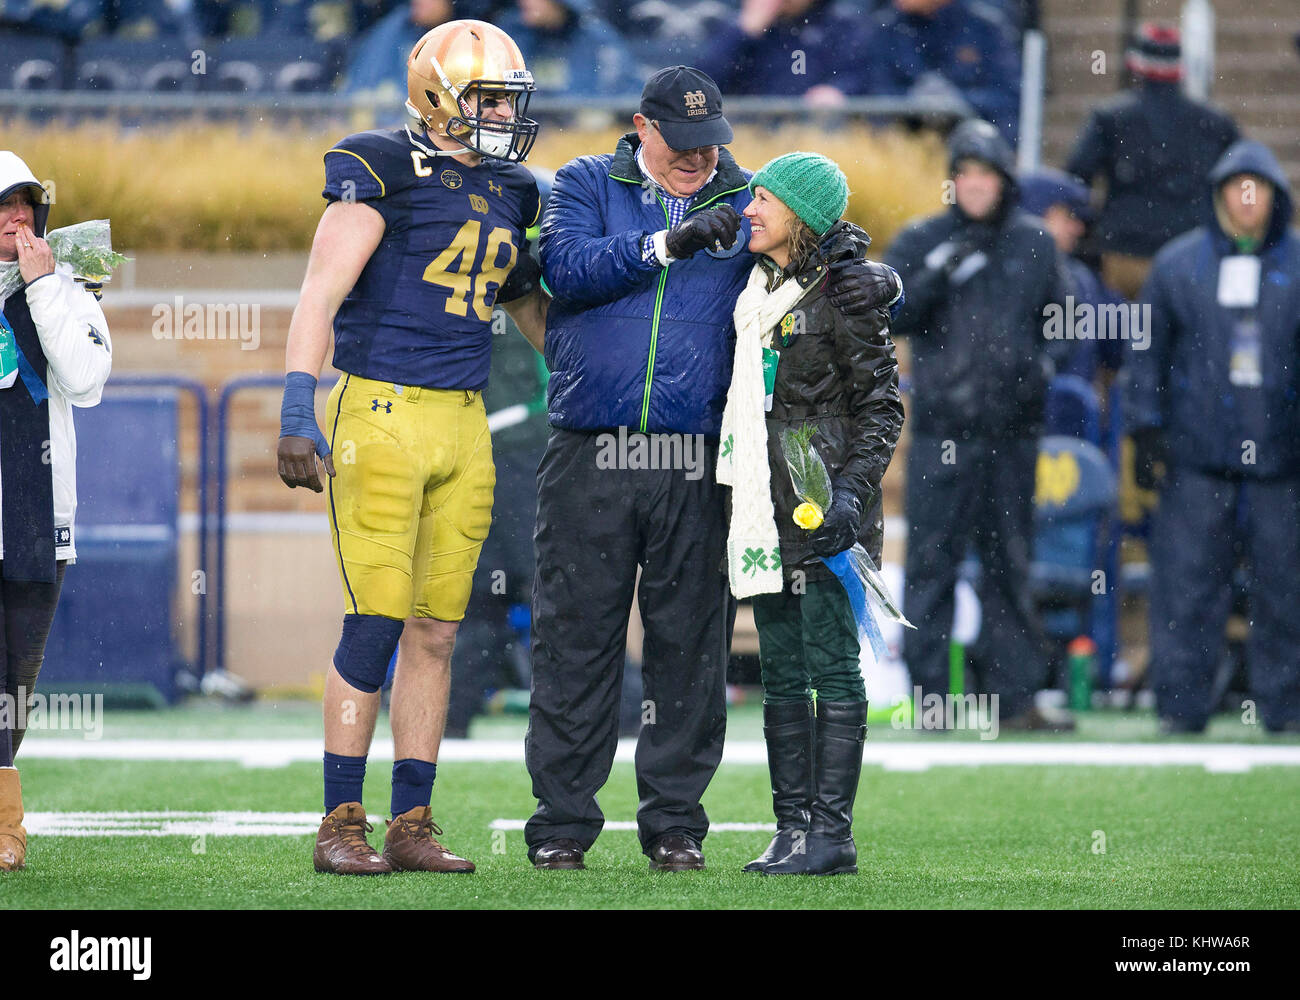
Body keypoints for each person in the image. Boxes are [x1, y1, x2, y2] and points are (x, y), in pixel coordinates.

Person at [525, 65, 901, 873]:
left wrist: (878, 273)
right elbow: (566, 270)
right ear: (642, 128)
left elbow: (817, 247)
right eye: (685, 143)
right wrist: (665, 243)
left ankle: (674, 825)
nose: (703, 158)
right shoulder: (586, 181)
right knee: (574, 640)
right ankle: (561, 821)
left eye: (713, 143)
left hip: (702, 458)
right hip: (591, 445)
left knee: (690, 649)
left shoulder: (748, 198)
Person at [277, 18, 549, 876]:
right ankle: (340, 823)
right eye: (490, 96)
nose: (505, 112)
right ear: (440, 96)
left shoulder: (513, 190)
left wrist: (592, 393)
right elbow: (320, 293)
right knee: (376, 623)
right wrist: (296, 406)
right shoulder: (380, 165)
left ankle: (412, 821)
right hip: (382, 413)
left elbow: (526, 304)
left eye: (510, 96)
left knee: (437, 632)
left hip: (465, 422)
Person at [718, 152, 902, 875]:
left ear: (801, 213)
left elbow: (883, 408)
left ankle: (832, 835)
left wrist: (850, 496)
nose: (749, 209)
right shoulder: (755, 278)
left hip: (820, 502)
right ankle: (791, 831)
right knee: (783, 671)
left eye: (764, 199)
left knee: (832, 666)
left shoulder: (845, 294)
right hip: (761, 503)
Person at [886, 119, 1071, 731]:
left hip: (1014, 435)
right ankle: (934, 702)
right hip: (943, 434)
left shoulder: (1035, 244)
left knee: (1009, 564)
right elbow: (894, 313)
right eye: (964, 174)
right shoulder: (922, 240)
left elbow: (1065, 322)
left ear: (1003, 181)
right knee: (932, 567)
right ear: (952, 181)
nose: (974, 185)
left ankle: (1014, 701)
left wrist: (1039, 369)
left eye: (985, 175)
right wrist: (944, 268)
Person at [1126, 139, 1300, 734]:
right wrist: (1145, 432)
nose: (1248, 203)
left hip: (1283, 466)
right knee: (1188, 593)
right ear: (1221, 196)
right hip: (1198, 462)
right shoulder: (1178, 265)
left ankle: (1288, 709)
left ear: (1275, 199)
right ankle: (1181, 709)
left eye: (1260, 191)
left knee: (1287, 591)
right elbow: (1146, 355)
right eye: (1237, 189)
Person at [0, 152, 113, 871]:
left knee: (13, 682)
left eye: (24, 205)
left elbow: (87, 379)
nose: (15, 218)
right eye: (0, 206)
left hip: (38, 517)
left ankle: (4, 819)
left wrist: (42, 288)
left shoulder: (66, 286)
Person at [1065, 22, 1239, 301]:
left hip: (1123, 252)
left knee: (1122, 334)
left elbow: (1075, 179)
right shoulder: (1214, 122)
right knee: (1185, 337)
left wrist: (1091, 225)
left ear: (1136, 65)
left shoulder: (1110, 118)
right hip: (1192, 253)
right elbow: (1242, 177)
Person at [864, 0, 1022, 145]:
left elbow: (1008, 97)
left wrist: (959, 102)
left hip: (972, 151)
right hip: (906, 148)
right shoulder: (887, 28)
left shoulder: (985, 28)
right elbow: (875, 94)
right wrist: (913, 103)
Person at [699, 0, 874, 103]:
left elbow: (861, 74)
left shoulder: (841, 24)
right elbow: (702, 84)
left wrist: (838, 90)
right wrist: (744, 31)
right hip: (753, 133)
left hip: (817, 135)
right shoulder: (735, 26)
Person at [496, 0, 642, 98]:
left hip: (580, 136)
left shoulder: (596, 40)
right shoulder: (511, 34)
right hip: (525, 134)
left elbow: (620, 93)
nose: (523, 2)